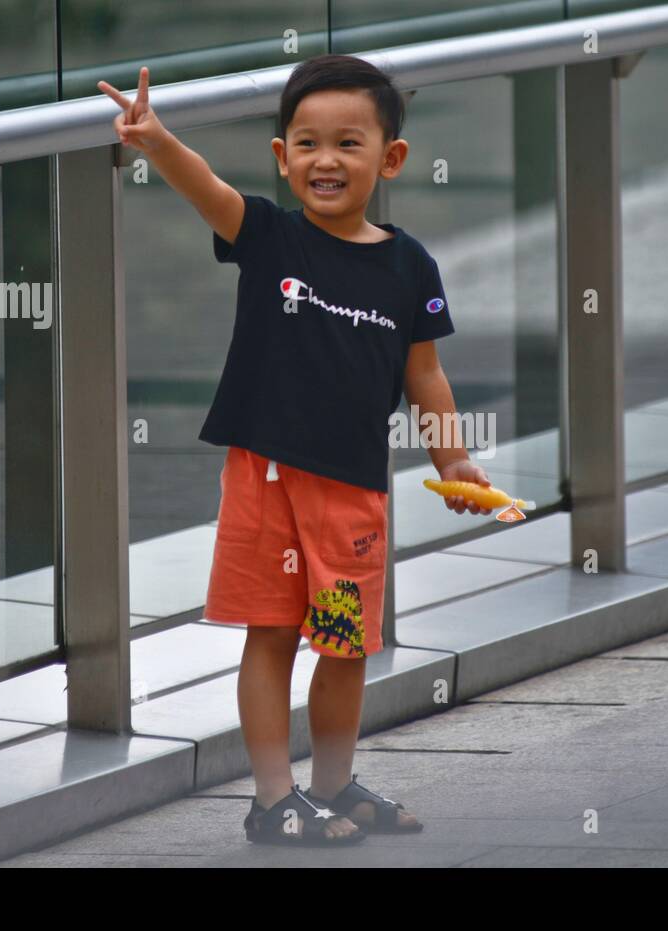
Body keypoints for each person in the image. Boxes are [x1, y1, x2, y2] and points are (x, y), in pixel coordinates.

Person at [99, 56, 494, 845]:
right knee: (272, 634)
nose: (325, 160)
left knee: (347, 643)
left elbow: (426, 373)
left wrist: (452, 461)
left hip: (352, 496)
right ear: (282, 158)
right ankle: (273, 798)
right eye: (306, 143)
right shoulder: (269, 237)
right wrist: (156, 140)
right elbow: (208, 189)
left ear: (391, 159)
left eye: (349, 143)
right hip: (265, 482)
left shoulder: (409, 265)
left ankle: (337, 784)